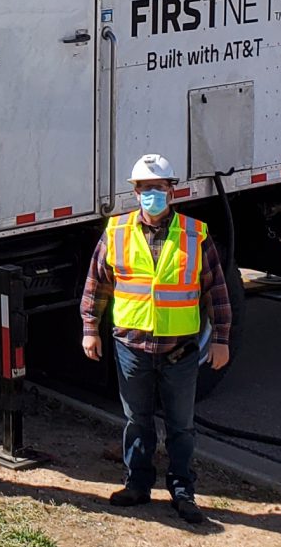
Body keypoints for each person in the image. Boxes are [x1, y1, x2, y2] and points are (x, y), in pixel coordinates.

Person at [80, 153, 233, 524]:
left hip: (179, 349)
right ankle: (137, 485)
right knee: (137, 421)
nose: (152, 195)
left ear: (172, 190)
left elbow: (216, 290)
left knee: (181, 426)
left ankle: (183, 491)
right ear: (135, 192)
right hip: (131, 347)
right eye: (145, 188)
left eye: (159, 188)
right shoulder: (116, 231)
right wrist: (89, 329)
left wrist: (221, 339)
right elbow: (97, 284)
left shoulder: (195, 234)